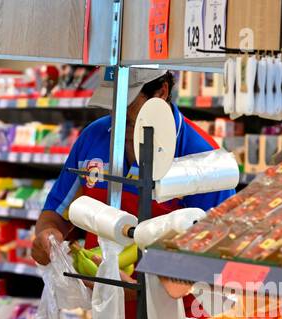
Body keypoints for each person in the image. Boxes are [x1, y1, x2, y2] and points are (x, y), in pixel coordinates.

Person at [31, 69, 234, 267]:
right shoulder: (92, 137)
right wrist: (48, 236)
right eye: (111, 103)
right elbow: (55, 215)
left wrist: (141, 290)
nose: (117, 114)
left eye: (127, 103)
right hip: (98, 293)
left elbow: (219, 252)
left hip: (173, 299)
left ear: (162, 92)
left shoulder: (203, 157)